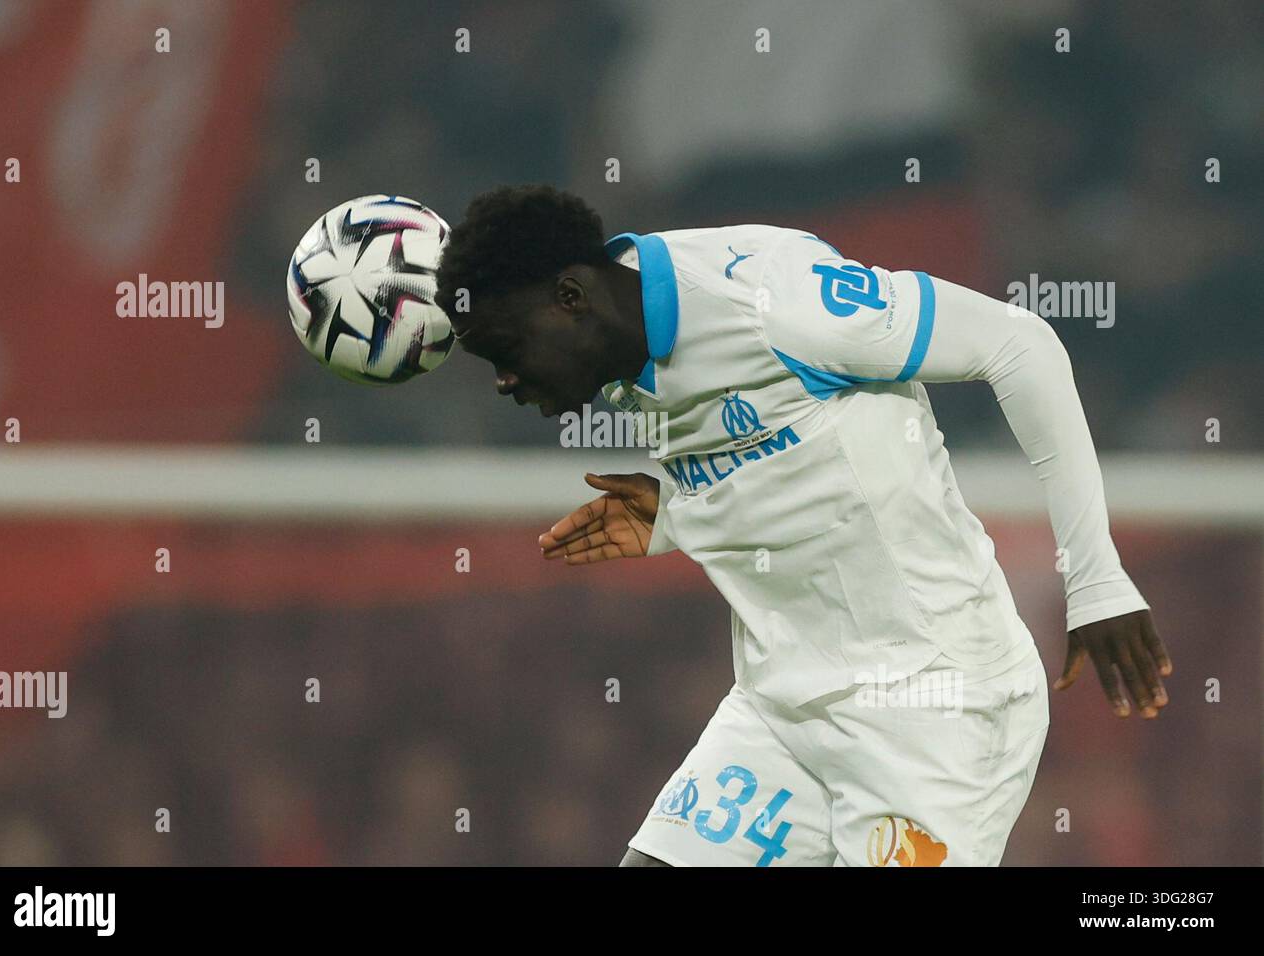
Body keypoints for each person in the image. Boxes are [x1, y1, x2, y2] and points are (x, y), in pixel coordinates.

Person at [433, 184, 1171, 867]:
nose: (503, 380)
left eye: (506, 351)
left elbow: (1021, 345)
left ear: (569, 298)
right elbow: (791, 444)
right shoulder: (614, 339)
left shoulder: (773, 298)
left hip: (934, 707)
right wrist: (683, 516)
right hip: (781, 709)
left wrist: (1098, 579)